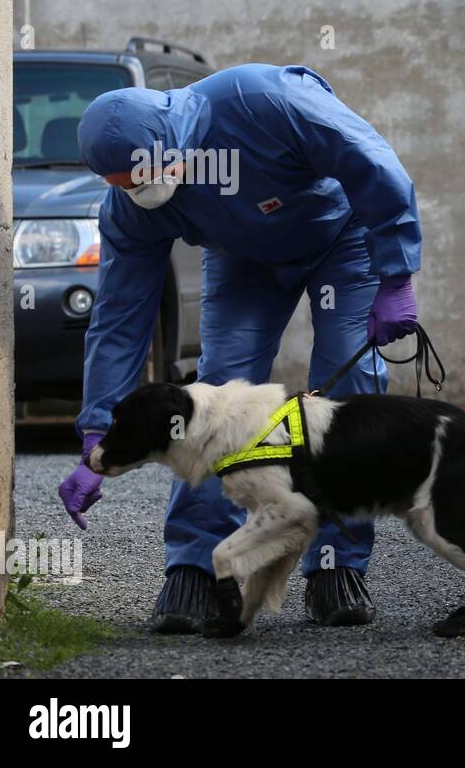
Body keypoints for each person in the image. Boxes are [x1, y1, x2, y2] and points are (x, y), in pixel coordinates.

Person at [57, 63, 422, 630]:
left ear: (171, 142)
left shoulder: (266, 101)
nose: (133, 192)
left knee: (348, 388)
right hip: (241, 259)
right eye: (119, 185)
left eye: (139, 177)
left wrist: (396, 277)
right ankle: (193, 569)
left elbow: (373, 163)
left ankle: (335, 565)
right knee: (214, 396)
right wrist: (98, 431)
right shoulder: (132, 204)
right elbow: (120, 318)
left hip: (341, 242)